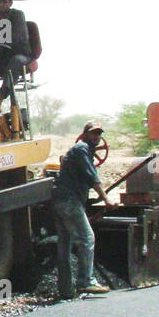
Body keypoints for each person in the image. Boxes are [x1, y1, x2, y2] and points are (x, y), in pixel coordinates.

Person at [51, 122, 111, 299]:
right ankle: (86, 281)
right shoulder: (82, 149)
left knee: (65, 243)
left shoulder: (82, 150)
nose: (96, 137)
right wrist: (106, 198)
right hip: (69, 201)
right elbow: (91, 176)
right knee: (87, 238)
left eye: (98, 134)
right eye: (93, 133)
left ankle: (65, 289)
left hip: (60, 200)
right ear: (84, 134)